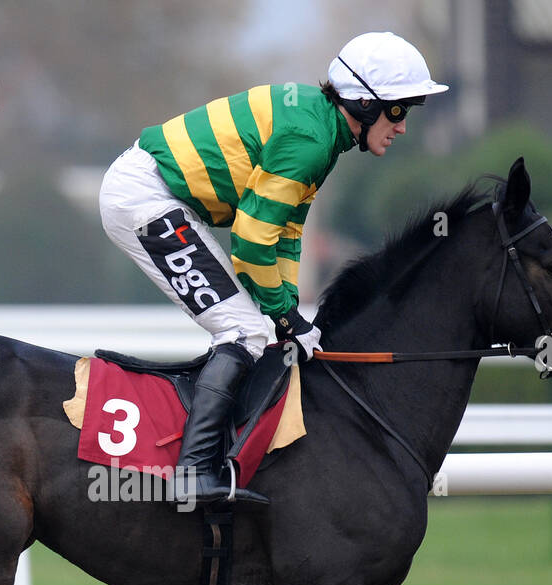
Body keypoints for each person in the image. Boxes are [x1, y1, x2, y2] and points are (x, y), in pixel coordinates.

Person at [99, 31, 448, 505]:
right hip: (145, 198)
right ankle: (194, 470)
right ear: (365, 105)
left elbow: (286, 235)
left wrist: (291, 316)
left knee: (255, 327)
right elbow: (251, 240)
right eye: (398, 110)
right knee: (244, 331)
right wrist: (285, 317)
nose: (402, 126)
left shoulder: (321, 129)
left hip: (155, 194)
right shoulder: (310, 138)